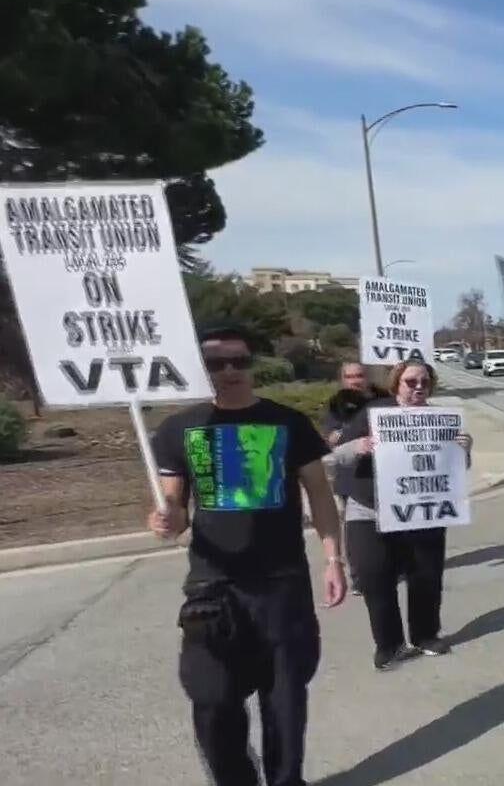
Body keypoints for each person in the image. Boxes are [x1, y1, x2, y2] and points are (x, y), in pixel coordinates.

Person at [148, 326, 347, 786]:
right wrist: (165, 519)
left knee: (285, 700)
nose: (229, 370)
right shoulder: (180, 429)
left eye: (238, 360)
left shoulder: (288, 423)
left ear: (252, 364)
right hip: (212, 587)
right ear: (202, 369)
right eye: (216, 363)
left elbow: (319, 494)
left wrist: (333, 559)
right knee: (212, 698)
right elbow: (174, 509)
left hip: (281, 582)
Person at [334, 359, 471, 671]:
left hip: (423, 512)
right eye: (411, 382)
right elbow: (334, 456)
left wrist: (464, 450)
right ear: (396, 383)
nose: (419, 387)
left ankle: (425, 635)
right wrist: (359, 446)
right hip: (369, 510)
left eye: (425, 382)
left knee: (426, 576)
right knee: (374, 576)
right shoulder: (373, 414)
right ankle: (389, 645)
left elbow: (456, 470)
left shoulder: (441, 419)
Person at [321, 361, 386, 594]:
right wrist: (347, 436)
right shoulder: (337, 404)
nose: (355, 381)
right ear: (342, 380)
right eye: (349, 377)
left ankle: (392, 566)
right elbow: (330, 439)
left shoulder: (383, 398)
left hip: (384, 475)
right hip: (350, 477)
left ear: (367, 377)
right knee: (356, 532)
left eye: (359, 375)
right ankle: (360, 578)